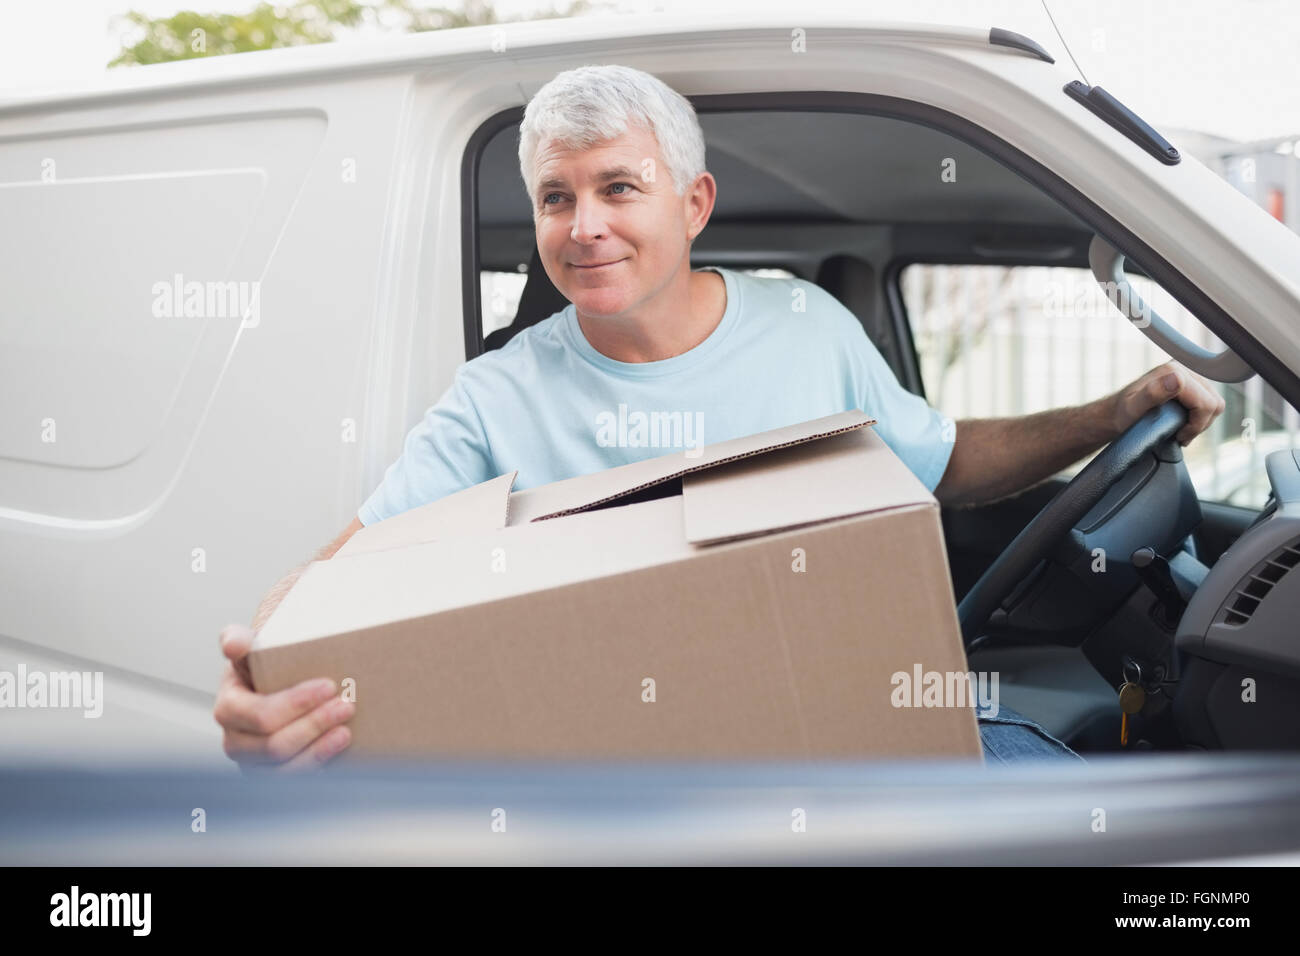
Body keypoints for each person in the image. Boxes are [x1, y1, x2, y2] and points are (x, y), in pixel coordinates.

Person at [214, 64, 1224, 771]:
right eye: (555, 199)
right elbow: (329, 584)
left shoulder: (804, 326)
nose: (585, 226)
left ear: (693, 203)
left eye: (618, 187)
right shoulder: (497, 396)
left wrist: (1117, 409)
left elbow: (946, 457)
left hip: (852, 737)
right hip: (639, 783)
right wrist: (268, 683)